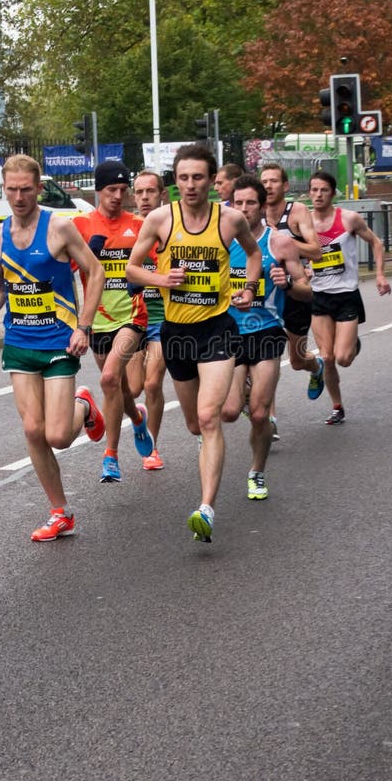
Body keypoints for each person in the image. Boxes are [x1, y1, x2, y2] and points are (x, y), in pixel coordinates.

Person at [0, 154, 106, 542]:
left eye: (26, 189)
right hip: (19, 342)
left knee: (59, 436)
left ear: (39, 188)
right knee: (32, 429)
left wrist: (85, 326)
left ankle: (84, 405)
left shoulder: (59, 228)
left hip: (59, 342)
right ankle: (60, 512)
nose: (19, 196)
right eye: (12, 189)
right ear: (3, 189)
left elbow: (97, 272)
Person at [126, 142, 262, 543]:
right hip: (176, 333)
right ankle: (210, 449)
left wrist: (251, 288)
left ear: (212, 179)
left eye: (198, 177)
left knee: (209, 417)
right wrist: (161, 279)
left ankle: (206, 508)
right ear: (175, 181)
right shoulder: (159, 220)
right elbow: (133, 270)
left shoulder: (230, 219)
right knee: (192, 424)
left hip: (217, 329)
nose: (190, 185)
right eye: (183, 178)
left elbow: (253, 257)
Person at [222, 175, 312, 500]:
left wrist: (287, 281)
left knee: (260, 414)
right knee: (229, 412)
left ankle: (257, 472)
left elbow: (306, 291)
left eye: (250, 203)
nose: (244, 209)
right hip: (229, 334)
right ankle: (245, 396)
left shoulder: (279, 243)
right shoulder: (222, 241)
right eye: (238, 202)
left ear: (262, 206)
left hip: (266, 331)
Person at [72, 159, 154, 482]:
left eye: (123, 189)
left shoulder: (139, 225)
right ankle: (137, 419)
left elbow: (159, 265)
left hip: (132, 317)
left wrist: (145, 276)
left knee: (108, 379)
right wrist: (86, 258)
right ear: (98, 191)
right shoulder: (81, 225)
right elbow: (66, 271)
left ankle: (111, 457)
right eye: (111, 190)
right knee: (119, 386)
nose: (118, 196)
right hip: (97, 321)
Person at [308, 169, 391, 424]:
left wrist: (379, 274)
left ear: (333, 193)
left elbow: (376, 243)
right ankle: (337, 405)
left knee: (343, 358)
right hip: (319, 295)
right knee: (327, 357)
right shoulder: (304, 223)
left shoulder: (349, 219)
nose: (318, 195)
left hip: (346, 295)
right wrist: (302, 269)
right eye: (314, 190)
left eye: (324, 190)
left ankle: (353, 344)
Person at [260, 162, 325, 412]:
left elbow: (316, 251)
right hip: (266, 293)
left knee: (297, 360)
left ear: (285, 185)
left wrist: (282, 241)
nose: (268, 186)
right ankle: (269, 418)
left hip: (295, 291)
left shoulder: (296, 211)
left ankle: (315, 367)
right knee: (267, 356)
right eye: (264, 181)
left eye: (273, 181)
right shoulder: (256, 213)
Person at [125, 170, 168, 470]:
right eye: (138, 192)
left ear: (161, 194)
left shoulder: (172, 228)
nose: (143, 198)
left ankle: (152, 446)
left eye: (149, 192)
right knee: (134, 388)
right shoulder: (127, 229)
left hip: (163, 320)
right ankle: (138, 418)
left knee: (153, 384)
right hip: (131, 318)